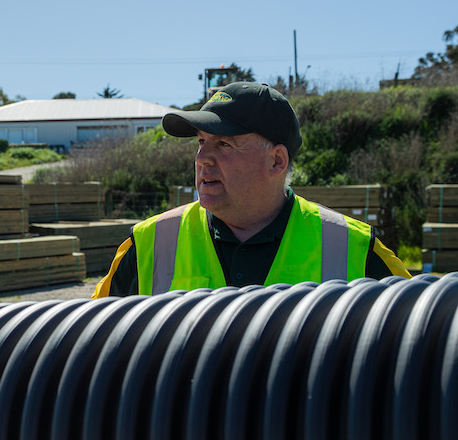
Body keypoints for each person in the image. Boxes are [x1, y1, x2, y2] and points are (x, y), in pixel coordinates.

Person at [93, 82, 410, 297]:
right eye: (201, 141)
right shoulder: (148, 244)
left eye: (224, 144)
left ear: (276, 161)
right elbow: (89, 345)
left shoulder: (355, 250)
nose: (202, 158)